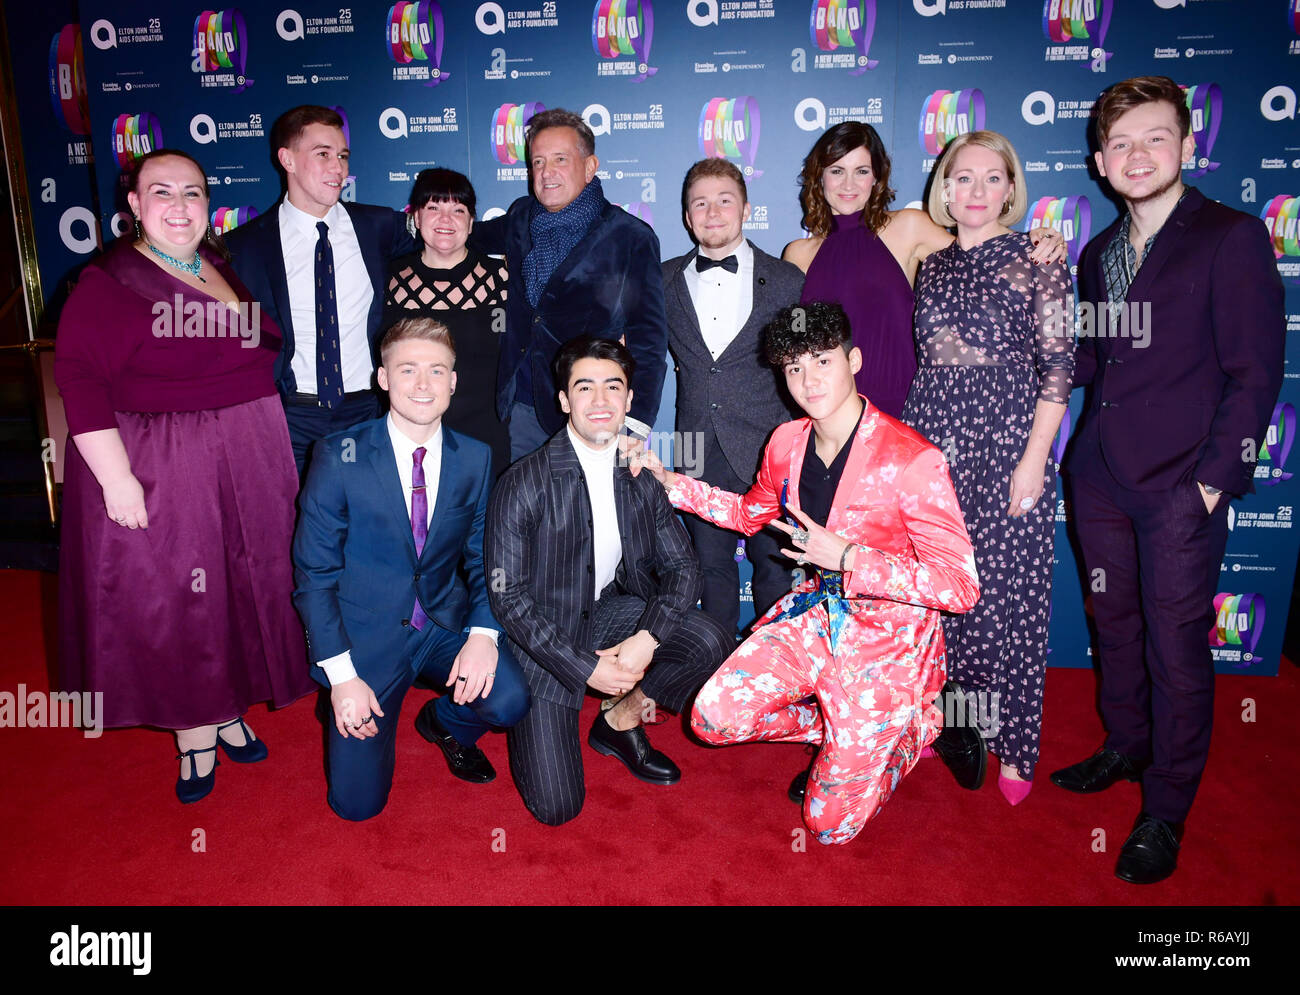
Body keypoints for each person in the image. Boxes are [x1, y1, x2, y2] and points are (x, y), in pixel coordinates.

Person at [1049, 76, 1284, 883]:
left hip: (1184, 483)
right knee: (1113, 624)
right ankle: (1125, 745)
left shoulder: (1232, 236)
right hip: (1101, 475)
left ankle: (1167, 806)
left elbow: (1256, 374)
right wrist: (1022, 350)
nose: (1137, 154)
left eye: (1155, 137)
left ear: (1188, 146)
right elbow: (1094, 358)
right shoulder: (1097, 252)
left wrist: (1214, 484)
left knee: (1176, 645)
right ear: (1099, 162)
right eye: (1121, 143)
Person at [636, 302, 980, 844]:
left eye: (822, 361)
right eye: (793, 367)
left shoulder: (912, 460)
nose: (807, 379)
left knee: (827, 828)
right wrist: (669, 482)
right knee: (712, 718)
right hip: (818, 619)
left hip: (888, 644)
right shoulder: (785, 442)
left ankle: (922, 724)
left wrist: (848, 557)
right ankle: (843, 727)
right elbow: (750, 515)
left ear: (854, 360)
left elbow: (960, 588)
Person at [54, 148, 313, 803]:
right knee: (181, 597)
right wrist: (117, 481)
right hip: (165, 461)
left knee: (235, 586)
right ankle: (193, 730)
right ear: (134, 206)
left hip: (246, 456)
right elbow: (80, 380)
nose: (179, 206)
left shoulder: (216, 264)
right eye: (161, 192)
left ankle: (226, 707)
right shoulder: (111, 280)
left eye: (192, 192)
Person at [485, 337, 730, 826]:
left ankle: (620, 718)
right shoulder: (524, 481)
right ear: (563, 401)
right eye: (584, 387)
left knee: (710, 638)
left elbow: (683, 568)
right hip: (544, 639)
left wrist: (647, 637)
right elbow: (508, 598)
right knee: (557, 809)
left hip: (608, 613)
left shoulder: (638, 472)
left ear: (629, 399)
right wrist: (583, 667)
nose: (600, 401)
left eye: (612, 387)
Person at [292, 317, 530, 821]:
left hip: (441, 625)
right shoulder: (338, 455)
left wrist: (484, 634)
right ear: (383, 378)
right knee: (356, 807)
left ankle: (443, 721)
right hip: (365, 641)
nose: (423, 385)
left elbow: (488, 558)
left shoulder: (476, 458)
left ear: (453, 381)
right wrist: (342, 677)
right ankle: (348, 703)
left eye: (436, 371)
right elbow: (314, 576)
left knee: (508, 700)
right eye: (408, 370)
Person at [902, 130, 1074, 805]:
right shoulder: (931, 265)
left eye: (991, 178)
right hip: (933, 439)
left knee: (1009, 601)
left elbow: (1059, 368)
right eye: (962, 178)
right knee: (940, 599)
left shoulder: (1041, 259)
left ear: (1010, 188)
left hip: (1008, 445)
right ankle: (952, 725)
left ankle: (1015, 743)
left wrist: (1035, 459)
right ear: (944, 188)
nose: (975, 191)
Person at [783, 122, 1064, 418]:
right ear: (820, 177)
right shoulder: (798, 255)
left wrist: (1031, 240)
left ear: (876, 178)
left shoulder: (908, 227)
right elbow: (797, 339)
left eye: (862, 171)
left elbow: (982, 255)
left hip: (899, 410)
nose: (849, 184)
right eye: (837, 171)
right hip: (829, 416)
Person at [469, 108, 667, 460]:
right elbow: (464, 235)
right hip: (522, 409)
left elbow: (649, 341)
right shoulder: (520, 216)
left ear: (591, 166)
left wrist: (634, 425)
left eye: (560, 159)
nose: (546, 173)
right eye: (538, 162)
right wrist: (407, 225)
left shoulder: (630, 237)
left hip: (592, 410)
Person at [225, 105, 413, 473]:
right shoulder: (243, 248)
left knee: (367, 527)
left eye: (342, 156)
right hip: (290, 417)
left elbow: (448, 234)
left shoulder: (378, 225)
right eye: (323, 154)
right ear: (287, 159)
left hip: (366, 412)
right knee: (294, 529)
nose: (338, 168)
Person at [661, 157, 804, 638]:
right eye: (700, 203)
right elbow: (635, 355)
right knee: (709, 571)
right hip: (694, 444)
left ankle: (775, 673)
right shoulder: (662, 281)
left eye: (725, 201)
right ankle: (713, 681)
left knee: (776, 571)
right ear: (686, 217)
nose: (713, 212)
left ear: (746, 209)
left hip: (770, 445)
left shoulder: (787, 280)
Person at [384, 168, 510, 480]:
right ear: (415, 217)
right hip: (408, 438)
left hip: (487, 438)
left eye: (458, 210)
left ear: (471, 222)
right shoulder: (387, 280)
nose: (445, 220)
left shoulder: (503, 280)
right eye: (434, 208)